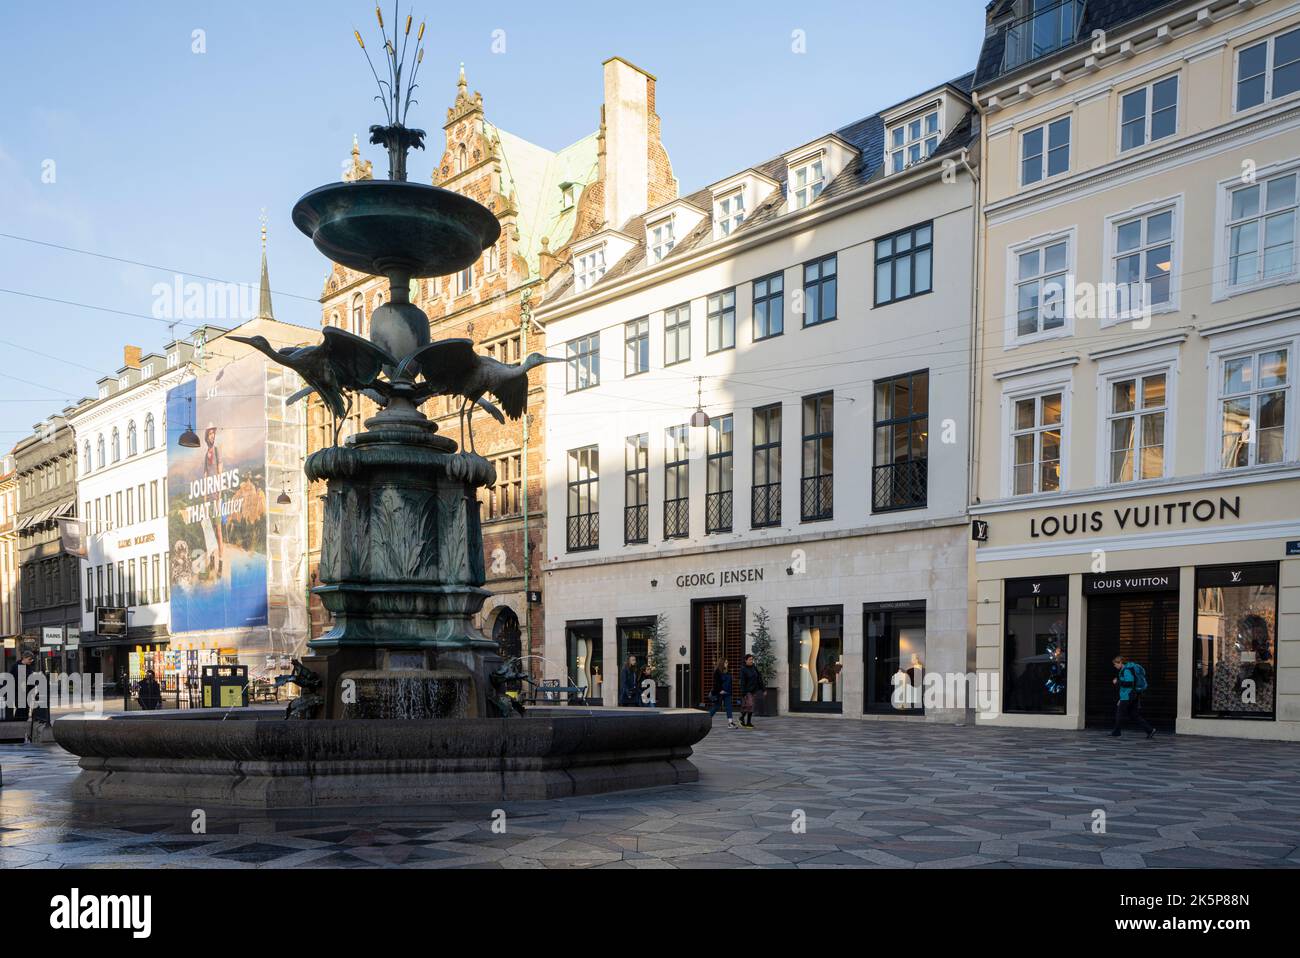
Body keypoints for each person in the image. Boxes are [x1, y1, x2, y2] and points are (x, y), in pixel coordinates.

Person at [1111, 655, 1154, 739]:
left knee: (1119, 714)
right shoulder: (1126, 669)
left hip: (1128, 696)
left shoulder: (1126, 670)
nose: (1114, 666)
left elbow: (1130, 683)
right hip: (1131, 695)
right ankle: (1150, 730)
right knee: (1134, 715)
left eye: (1115, 664)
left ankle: (1116, 732)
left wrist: (1117, 682)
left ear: (1120, 662)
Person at [6, 650, 36, 721]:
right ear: (24, 658)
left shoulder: (29, 667)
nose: (31, 661)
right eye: (29, 659)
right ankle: (17, 725)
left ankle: (21, 725)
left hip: (27, 693)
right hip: (18, 693)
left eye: (31, 659)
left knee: (25, 710)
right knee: (21, 710)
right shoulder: (16, 667)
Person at [707, 659, 737, 729]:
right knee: (716, 707)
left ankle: (730, 722)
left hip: (727, 693)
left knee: (729, 707)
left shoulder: (728, 672)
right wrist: (720, 690)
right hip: (719, 692)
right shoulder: (717, 672)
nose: (727, 663)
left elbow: (729, 683)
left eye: (727, 662)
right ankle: (706, 719)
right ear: (722, 663)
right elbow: (716, 683)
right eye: (726, 662)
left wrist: (730, 691)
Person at [739, 653, 763, 729]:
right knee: (750, 704)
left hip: (754, 690)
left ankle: (747, 722)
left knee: (750, 706)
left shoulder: (754, 668)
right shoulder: (743, 669)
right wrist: (743, 692)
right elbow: (742, 681)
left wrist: (763, 688)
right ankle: (742, 718)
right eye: (750, 659)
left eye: (752, 659)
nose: (751, 661)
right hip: (747, 690)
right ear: (745, 660)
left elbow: (759, 678)